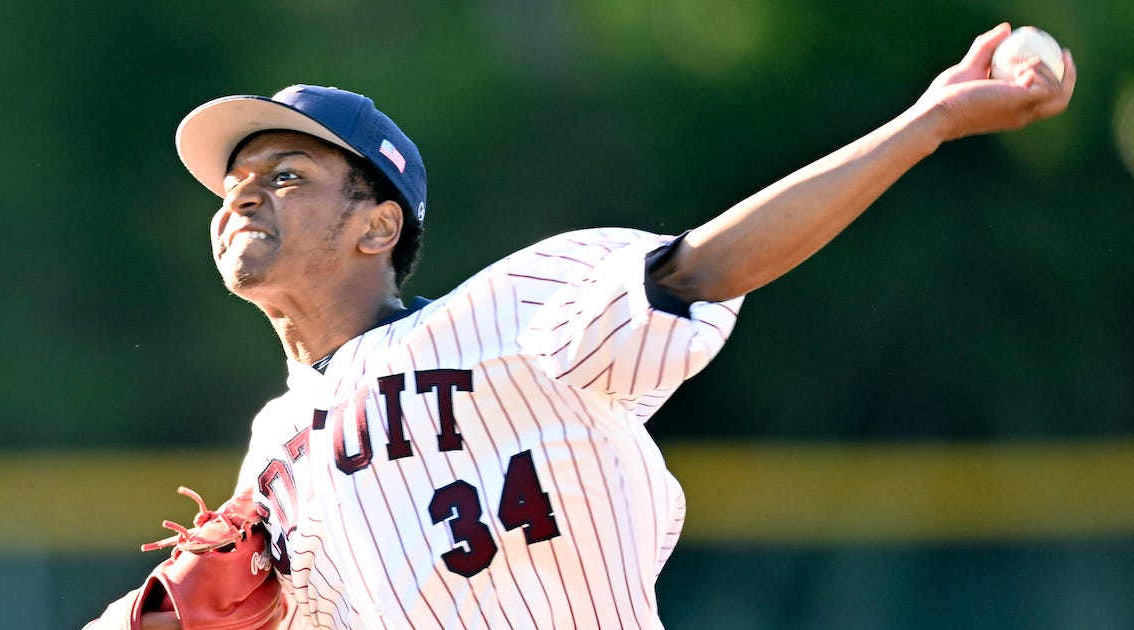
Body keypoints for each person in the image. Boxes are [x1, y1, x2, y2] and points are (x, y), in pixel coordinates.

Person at [87, 22, 1075, 629]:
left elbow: (705, 267)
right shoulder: (272, 455)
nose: (241, 201)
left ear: (376, 224)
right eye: (235, 186)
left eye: (285, 177)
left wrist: (928, 121)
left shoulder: (515, 315)